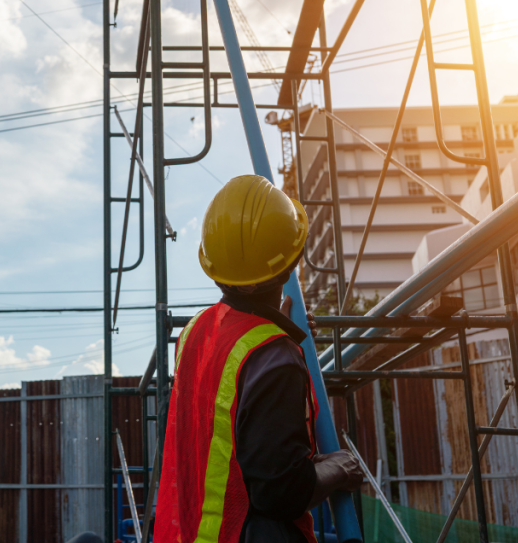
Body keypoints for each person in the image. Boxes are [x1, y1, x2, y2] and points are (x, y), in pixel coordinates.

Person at [155, 175, 364, 543]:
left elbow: (232, 437)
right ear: (289, 265)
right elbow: (281, 492)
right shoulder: (275, 358)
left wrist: (280, 327)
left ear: (214, 268)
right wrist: (338, 470)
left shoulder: (195, 333)